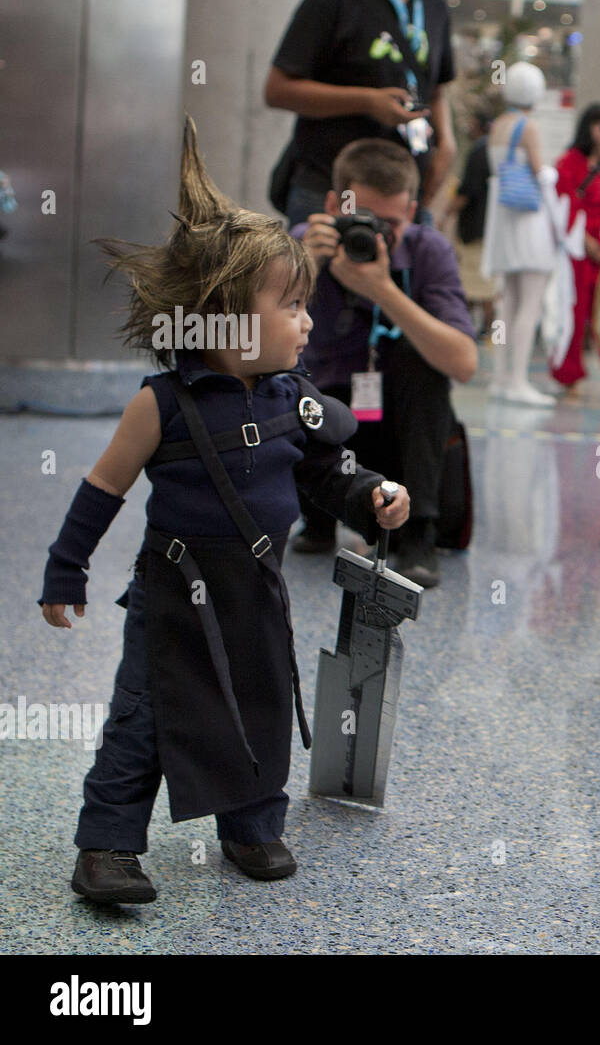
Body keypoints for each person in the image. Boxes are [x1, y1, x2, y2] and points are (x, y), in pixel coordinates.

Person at [38, 118, 410, 904]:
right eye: (292, 308)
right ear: (224, 317)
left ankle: (250, 825)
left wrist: (371, 494)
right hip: (172, 597)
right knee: (144, 719)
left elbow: (330, 469)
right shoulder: (161, 406)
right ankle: (106, 848)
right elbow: (102, 488)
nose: (308, 323)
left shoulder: (291, 397)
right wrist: (64, 570)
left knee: (262, 708)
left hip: (256, 592)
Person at [289, 138, 478, 588]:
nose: (373, 236)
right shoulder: (302, 245)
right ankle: (314, 520)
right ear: (333, 205)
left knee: (420, 359)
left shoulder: (428, 250)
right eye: (361, 220)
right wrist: (304, 271)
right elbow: (251, 347)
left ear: (412, 213)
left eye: (389, 224)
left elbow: (465, 363)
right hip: (325, 422)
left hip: (400, 428)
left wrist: (384, 293)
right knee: (289, 381)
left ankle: (418, 535)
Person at [265, 0, 457, 228]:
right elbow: (277, 90)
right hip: (330, 191)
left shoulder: (433, 6)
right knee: (322, 266)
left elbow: (435, 91)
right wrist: (367, 102)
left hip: (404, 199)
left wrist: (446, 142)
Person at [481, 62, 568, 407]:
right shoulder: (527, 126)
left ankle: (503, 378)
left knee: (508, 304)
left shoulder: (498, 125)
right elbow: (539, 172)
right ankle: (518, 380)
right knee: (529, 305)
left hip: (503, 222)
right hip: (529, 221)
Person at [551, 103, 600, 390]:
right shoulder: (570, 162)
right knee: (573, 311)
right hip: (576, 250)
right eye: (599, 125)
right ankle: (567, 376)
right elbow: (564, 204)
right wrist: (586, 241)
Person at [447, 110, 497, 331]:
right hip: (488, 227)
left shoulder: (479, 151)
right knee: (482, 283)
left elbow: (468, 190)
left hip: (475, 228)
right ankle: (480, 329)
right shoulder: (494, 149)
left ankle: (469, 327)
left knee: (475, 283)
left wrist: (447, 213)